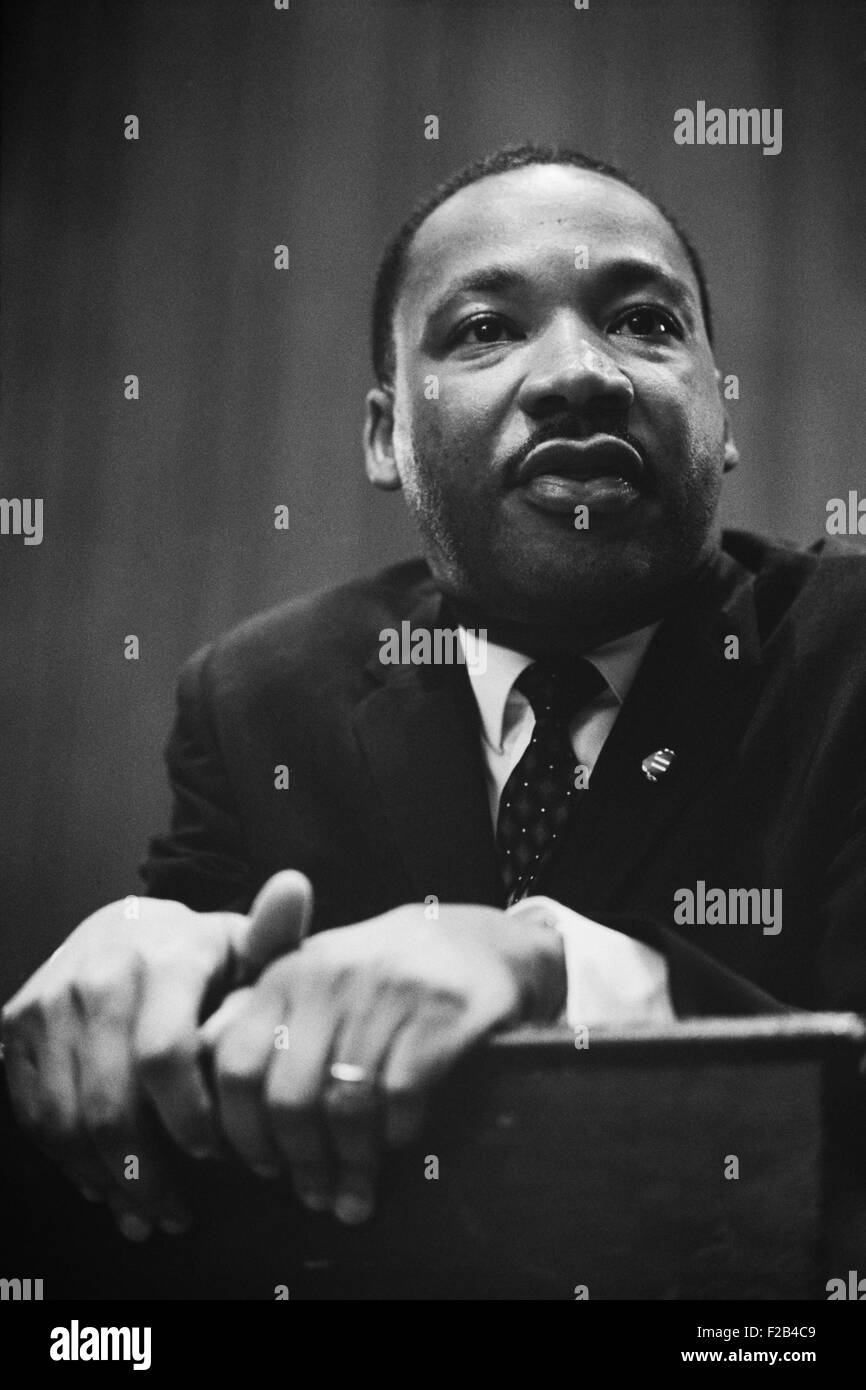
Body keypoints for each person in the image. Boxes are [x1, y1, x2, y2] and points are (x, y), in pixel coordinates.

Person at [4, 144, 866, 1247]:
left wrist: (542, 963)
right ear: (383, 437)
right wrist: (145, 963)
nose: (579, 373)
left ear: (721, 413)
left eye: (644, 321)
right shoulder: (262, 698)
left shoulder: (846, 655)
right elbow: (186, 1120)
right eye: (482, 329)